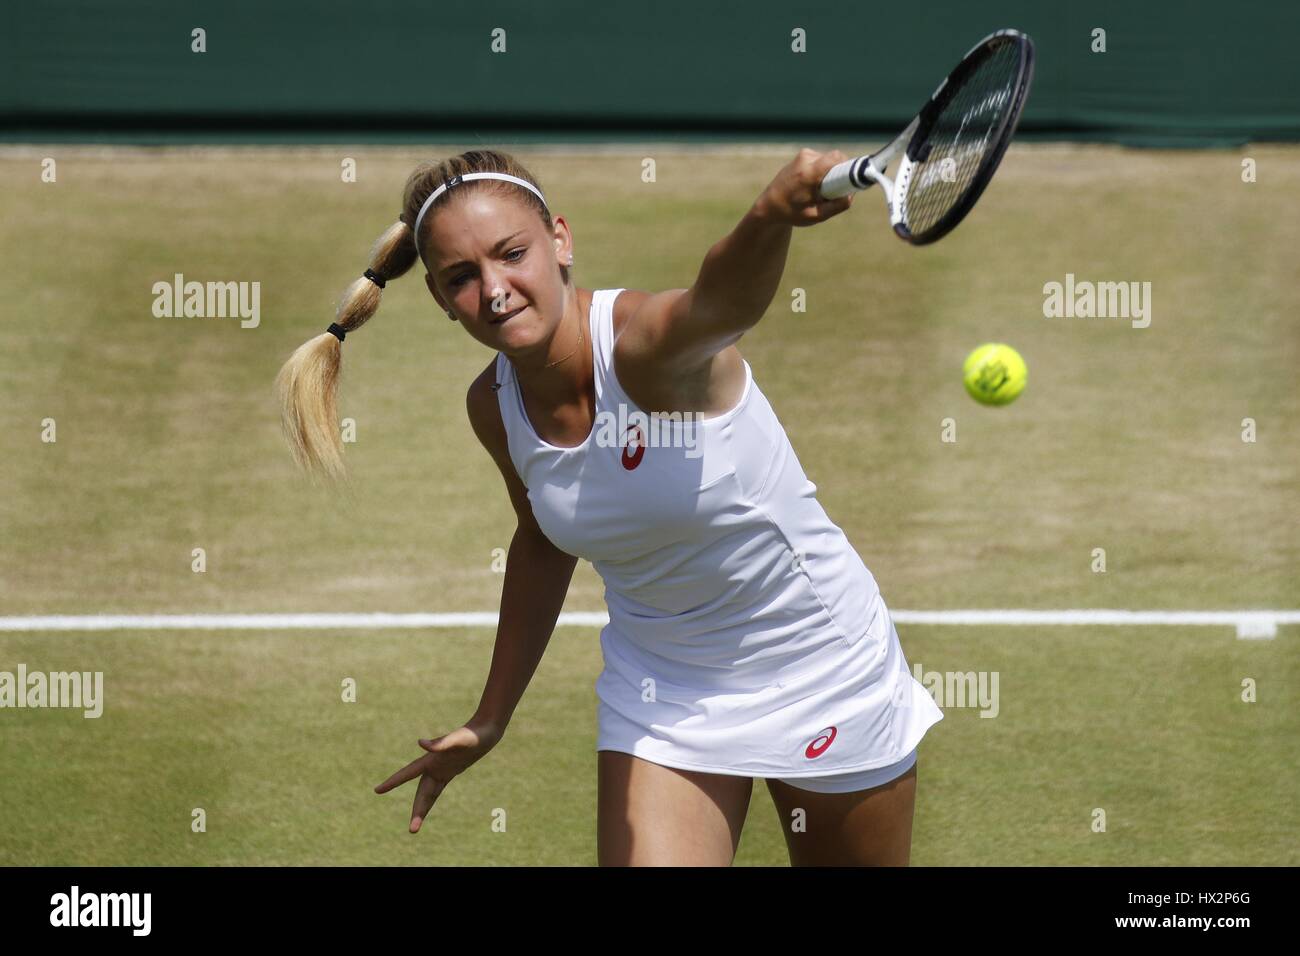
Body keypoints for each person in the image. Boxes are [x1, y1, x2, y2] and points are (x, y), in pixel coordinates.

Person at [275, 148, 943, 866]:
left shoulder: (645, 350)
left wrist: (767, 217)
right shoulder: (494, 406)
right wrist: (491, 716)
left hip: (817, 663)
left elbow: (721, 302)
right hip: (663, 687)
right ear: (439, 298)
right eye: (462, 278)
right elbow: (541, 537)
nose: (494, 291)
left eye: (512, 255)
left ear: (559, 241)